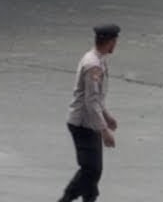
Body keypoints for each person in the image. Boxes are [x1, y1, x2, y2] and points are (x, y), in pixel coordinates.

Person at [58, 24, 120, 202]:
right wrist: (104, 130)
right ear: (110, 42)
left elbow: (96, 98)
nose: (115, 45)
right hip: (83, 123)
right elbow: (91, 102)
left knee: (93, 170)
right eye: (115, 41)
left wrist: (107, 116)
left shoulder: (95, 58)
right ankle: (65, 199)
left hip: (89, 121)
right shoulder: (93, 65)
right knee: (90, 169)